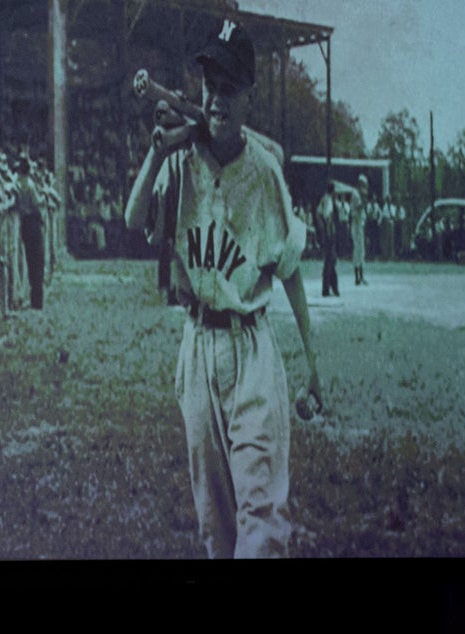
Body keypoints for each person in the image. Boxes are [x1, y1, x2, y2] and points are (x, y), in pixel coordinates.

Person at [124, 18, 320, 559]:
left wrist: (312, 361)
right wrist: (159, 151)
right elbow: (133, 215)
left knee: (261, 524)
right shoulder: (182, 160)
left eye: (229, 88)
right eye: (210, 85)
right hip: (197, 348)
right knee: (217, 527)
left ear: (250, 98)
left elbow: (290, 270)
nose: (216, 98)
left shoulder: (264, 172)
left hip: (250, 347)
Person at [14, 153, 47, 309]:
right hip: (33, 222)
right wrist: (43, 198)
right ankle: (37, 300)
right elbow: (36, 204)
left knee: (30, 259)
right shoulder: (30, 184)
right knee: (37, 260)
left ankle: (34, 297)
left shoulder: (17, 182)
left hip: (24, 223)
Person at [315, 181, 343, 297]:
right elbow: (328, 216)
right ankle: (328, 288)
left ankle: (331, 287)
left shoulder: (323, 199)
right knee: (330, 261)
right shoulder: (328, 201)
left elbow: (318, 213)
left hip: (326, 233)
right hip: (329, 234)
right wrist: (329, 232)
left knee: (330, 261)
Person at [351, 174, 370, 284]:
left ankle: (361, 276)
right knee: (357, 250)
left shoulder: (360, 194)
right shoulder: (355, 194)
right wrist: (364, 199)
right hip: (356, 224)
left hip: (361, 224)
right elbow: (358, 207)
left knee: (362, 251)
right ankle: (357, 277)